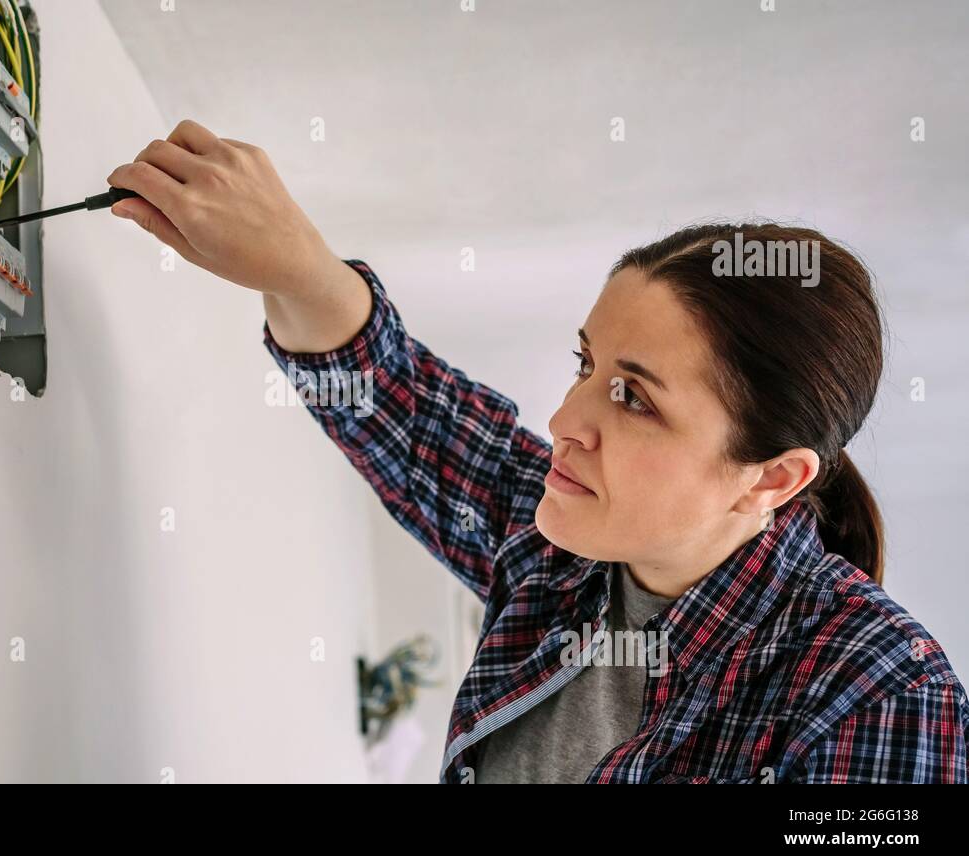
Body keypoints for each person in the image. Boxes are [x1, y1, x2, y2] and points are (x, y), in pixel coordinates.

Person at [107, 119, 969, 783]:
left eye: (633, 396)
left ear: (771, 478)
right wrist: (293, 263)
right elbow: (400, 405)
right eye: (585, 364)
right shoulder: (559, 550)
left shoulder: (880, 692)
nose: (565, 417)